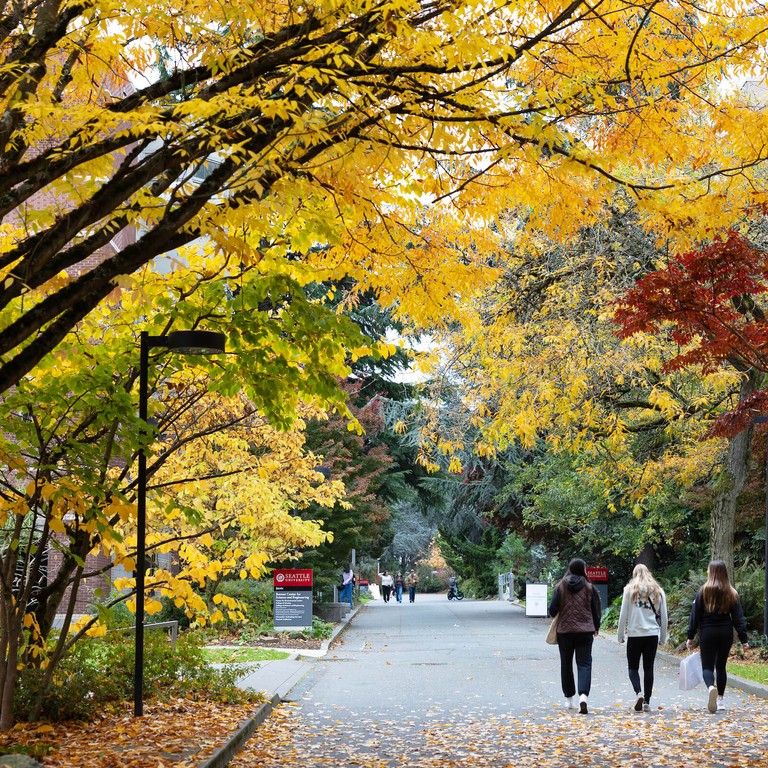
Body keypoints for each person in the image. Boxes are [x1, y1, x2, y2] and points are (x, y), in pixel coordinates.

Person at [687, 560, 750, 713]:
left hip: (708, 632)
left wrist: (690, 637)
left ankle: (710, 688)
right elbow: (738, 618)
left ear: (712, 572)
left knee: (707, 666)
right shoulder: (731, 592)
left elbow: (694, 616)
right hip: (725, 632)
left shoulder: (703, 591)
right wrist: (744, 640)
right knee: (721, 666)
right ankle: (720, 700)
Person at [548, 557, 601, 714]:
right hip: (585, 632)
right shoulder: (589, 587)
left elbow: (552, 609)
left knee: (566, 664)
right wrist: (596, 628)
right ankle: (583, 696)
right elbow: (596, 611)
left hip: (565, 632)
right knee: (584, 664)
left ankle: (569, 699)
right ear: (583, 569)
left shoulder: (560, 586)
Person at [617, 564, 668, 712]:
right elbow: (664, 617)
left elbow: (623, 615)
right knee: (648, 668)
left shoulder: (629, 590)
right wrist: (663, 638)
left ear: (634, 575)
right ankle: (647, 701)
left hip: (635, 634)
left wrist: (620, 635)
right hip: (652, 634)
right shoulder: (659, 591)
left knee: (633, 667)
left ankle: (638, 692)